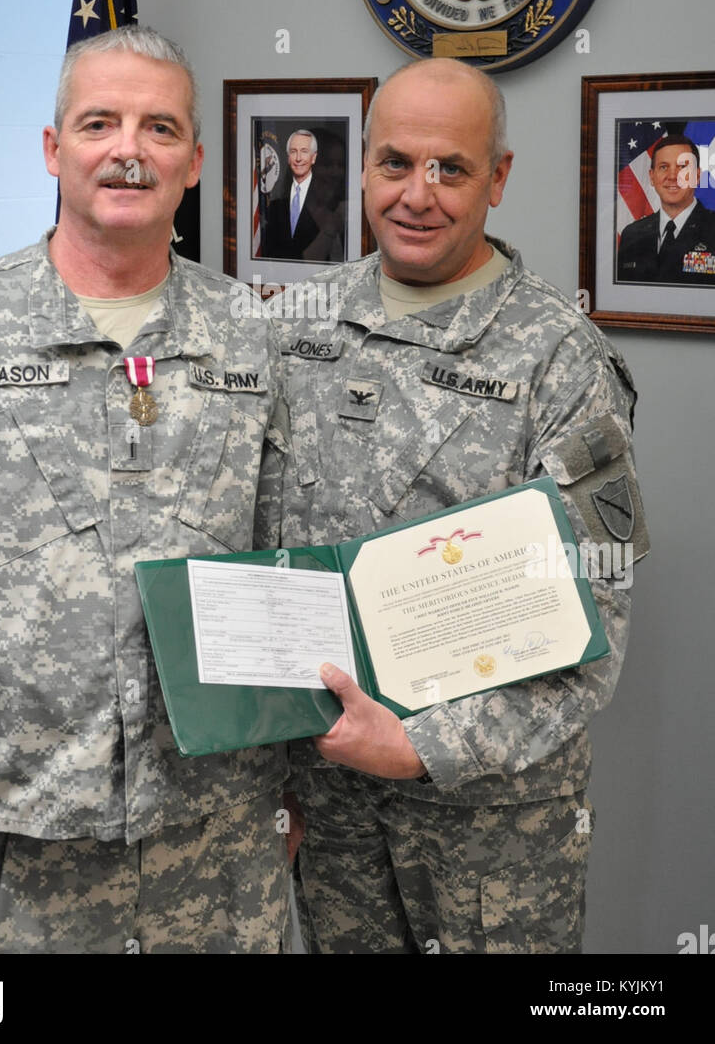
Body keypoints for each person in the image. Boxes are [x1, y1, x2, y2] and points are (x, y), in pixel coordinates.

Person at [0, 25, 291, 955]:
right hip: (4, 850)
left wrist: (300, 793)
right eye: (99, 124)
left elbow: (293, 574)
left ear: (195, 161)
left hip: (213, 845)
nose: (128, 150)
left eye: (159, 129)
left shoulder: (252, 339)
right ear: (54, 150)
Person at [258, 57, 650, 954]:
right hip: (330, 799)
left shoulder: (562, 359)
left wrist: (426, 748)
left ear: (498, 178)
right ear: (362, 166)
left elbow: (600, 598)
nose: (416, 195)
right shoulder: (291, 327)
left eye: (451, 168)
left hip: (491, 825)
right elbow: (257, 543)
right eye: (394, 163)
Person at [616, 135, 715, 284]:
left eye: (682, 167)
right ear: (652, 176)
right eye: (663, 167)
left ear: (697, 175)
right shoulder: (632, 235)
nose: (673, 176)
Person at [263, 129, 345, 261]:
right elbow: (282, 270)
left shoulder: (346, 212)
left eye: (340, 165)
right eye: (327, 165)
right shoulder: (279, 212)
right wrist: (331, 228)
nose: (335, 173)